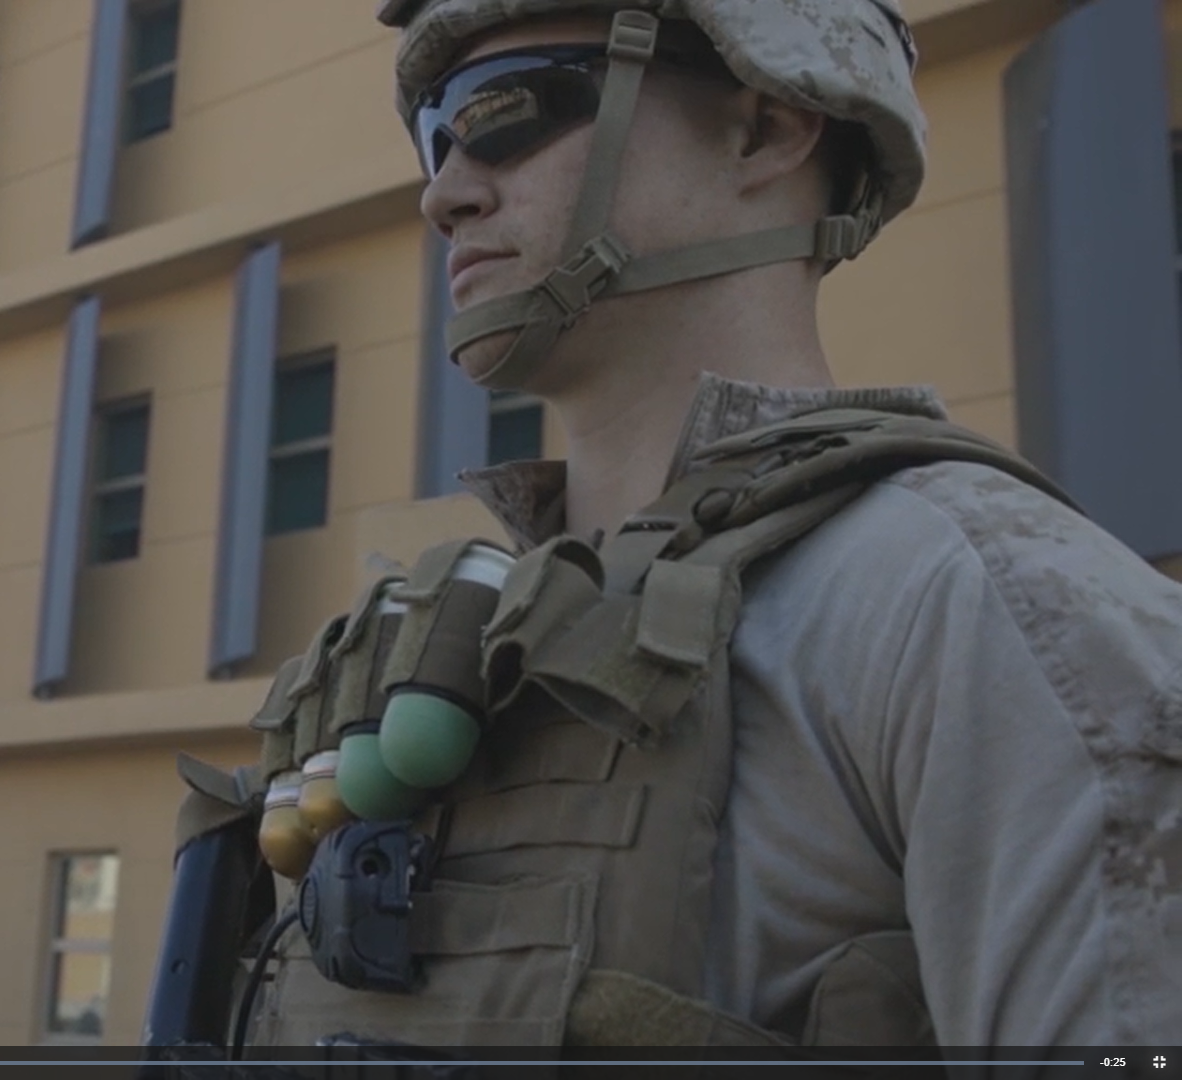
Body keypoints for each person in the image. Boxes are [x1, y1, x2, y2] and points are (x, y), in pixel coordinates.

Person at [191, 0, 1182, 1053]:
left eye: (503, 112)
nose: (446, 193)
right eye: (436, 137)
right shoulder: (456, 638)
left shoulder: (983, 605)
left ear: (766, 130)